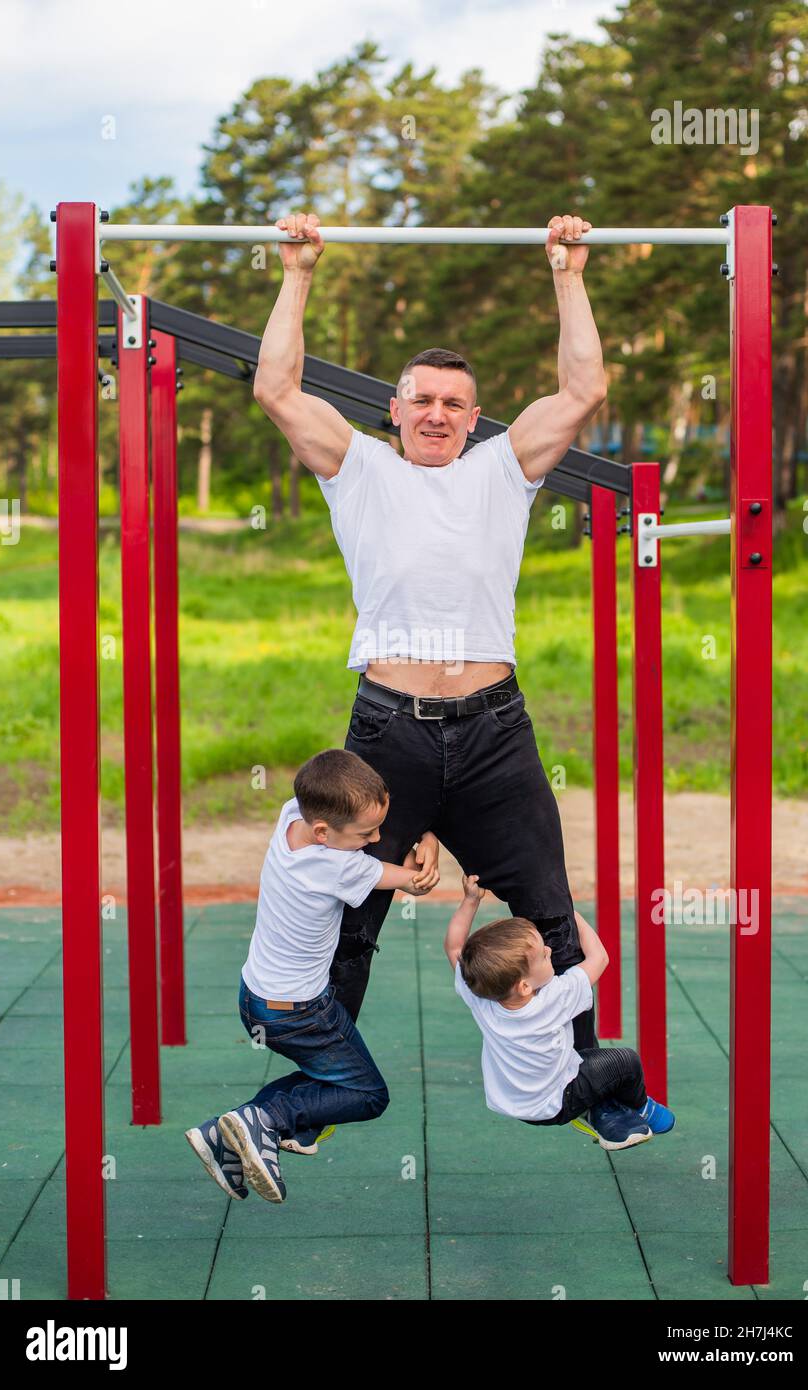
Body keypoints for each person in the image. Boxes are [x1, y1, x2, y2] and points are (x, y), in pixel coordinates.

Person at [253, 208, 606, 1043]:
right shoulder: (357, 466)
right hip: (388, 730)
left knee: (549, 908)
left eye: (454, 402)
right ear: (395, 408)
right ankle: (317, 1089)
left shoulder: (504, 468)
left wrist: (568, 273)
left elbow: (583, 389)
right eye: (423, 400)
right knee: (353, 922)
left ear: (475, 416)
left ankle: (589, 1081)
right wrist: (297, 271)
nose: (438, 413)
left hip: (492, 725)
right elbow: (274, 387)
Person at [184, 749, 439, 1203]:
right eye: (366, 833)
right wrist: (428, 839)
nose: (377, 838)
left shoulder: (290, 818)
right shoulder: (336, 866)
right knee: (366, 1094)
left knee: (324, 1079)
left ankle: (225, 1133)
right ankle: (259, 1121)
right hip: (299, 1011)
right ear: (324, 832)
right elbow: (414, 880)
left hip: (256, 996)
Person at [445, 874, 675, 1148]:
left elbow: (455, 947)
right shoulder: (554, 999)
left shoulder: (480, 997)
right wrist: (568, 911)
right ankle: (640, 1106)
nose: (549, 948)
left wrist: (470, 901)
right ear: (525, 986)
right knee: (624, 1061)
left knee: (588, 1058)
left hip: (513, 1105)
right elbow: (599, 957)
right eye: (542, 954)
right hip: (560, 1100)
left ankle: (599, 1107)